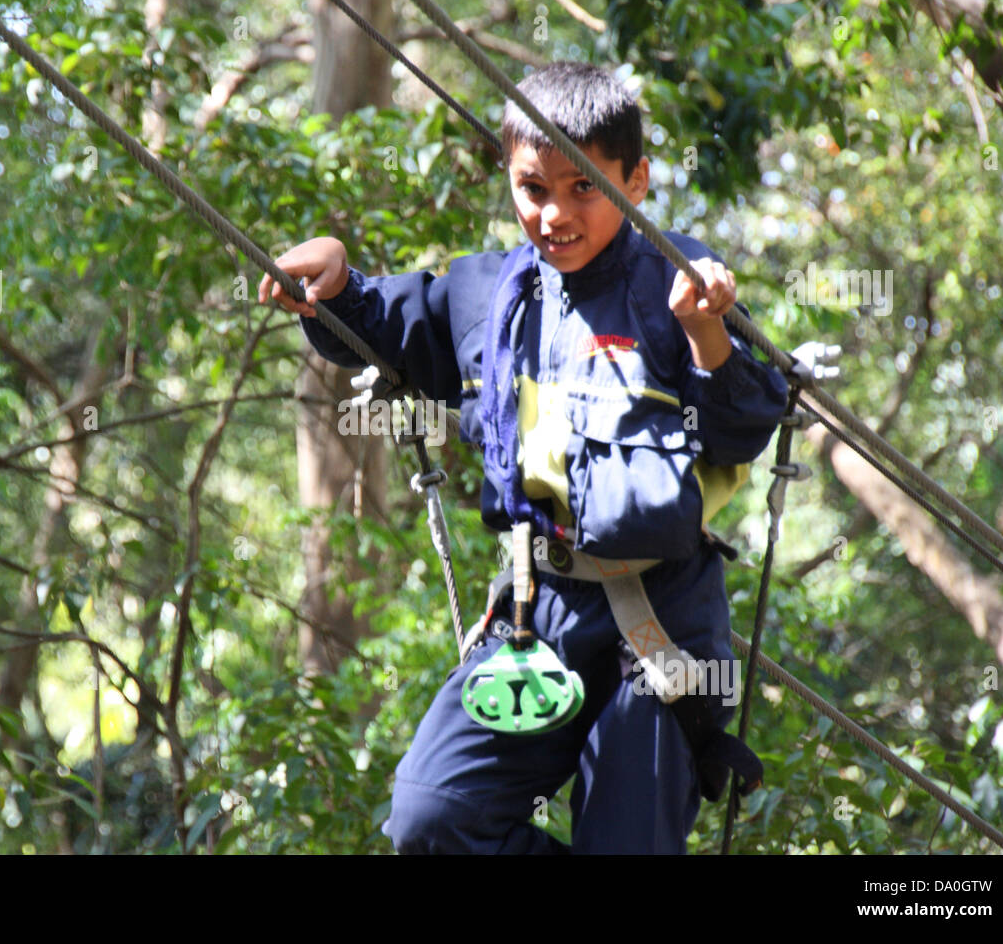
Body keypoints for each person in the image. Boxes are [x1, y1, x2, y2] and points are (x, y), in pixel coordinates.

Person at [259, 61, 789, 853]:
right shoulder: (486, 295)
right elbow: (390, 328)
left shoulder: (677, 283)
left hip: (662, 618)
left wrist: (708, 332)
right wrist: (337, 287)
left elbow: (745, 425)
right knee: (433, 819)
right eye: (533, 189)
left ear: (635, 180)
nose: (555, 215)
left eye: (585, 190)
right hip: (532, 609)